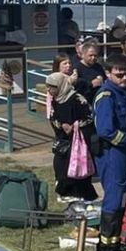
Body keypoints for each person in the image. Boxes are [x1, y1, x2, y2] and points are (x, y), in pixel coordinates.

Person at [93, 54, 126, 251]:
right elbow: (105, 130)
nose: (124, 78)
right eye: (119, 75)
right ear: (108, 74)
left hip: (124, 152)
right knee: (114, 195)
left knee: (123, 193)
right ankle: (107, 246)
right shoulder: (106, 96)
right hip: (112, 152)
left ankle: (118, 239)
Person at [46, 72, 97, 202]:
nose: (49, 90)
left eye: (52, 86)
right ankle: (66, 195)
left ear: (60, 86)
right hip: (63, 143)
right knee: (61, 169)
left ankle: (81, 198)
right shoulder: (56, 100)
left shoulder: (77, 99)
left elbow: (89, 118)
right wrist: (61, 125)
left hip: (78, 144)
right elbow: (53, 117)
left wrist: (74, 126)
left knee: (77, 171)